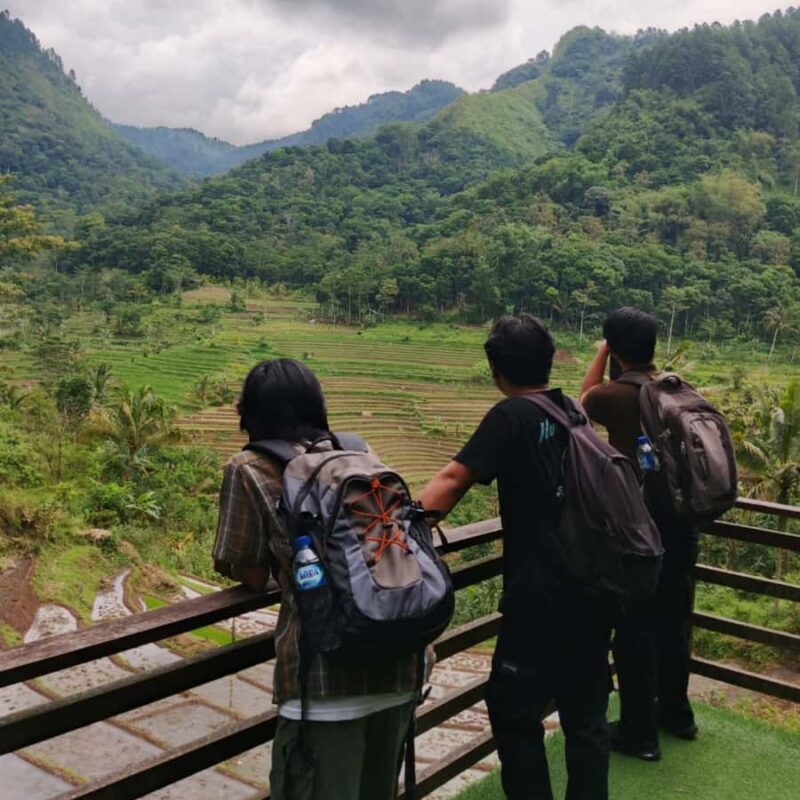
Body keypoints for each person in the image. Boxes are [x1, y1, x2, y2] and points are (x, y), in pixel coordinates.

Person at [420, 314, 612, 800]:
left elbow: (452, 482)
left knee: (513, 713)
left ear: (496, 370)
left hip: (539, 600)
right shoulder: (572, 409)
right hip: (595, 590)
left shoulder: (510, 416)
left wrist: (401, 528)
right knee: (585, 718)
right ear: (548, 362)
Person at [212, 358, 420, 800]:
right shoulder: (360, 455)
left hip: (323, 685)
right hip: (400, 664)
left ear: (250, 413)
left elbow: (249, 572)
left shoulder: (249, 467)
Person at [581, 307, 699, 763]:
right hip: (683, 526)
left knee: (634, 630)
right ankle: (677, 714)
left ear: (615, 347)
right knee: (674, 621)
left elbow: (583, 398)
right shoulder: (680, 389)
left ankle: (638, 733)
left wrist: (602, 351)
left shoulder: (615, 395)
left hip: (638, 534)